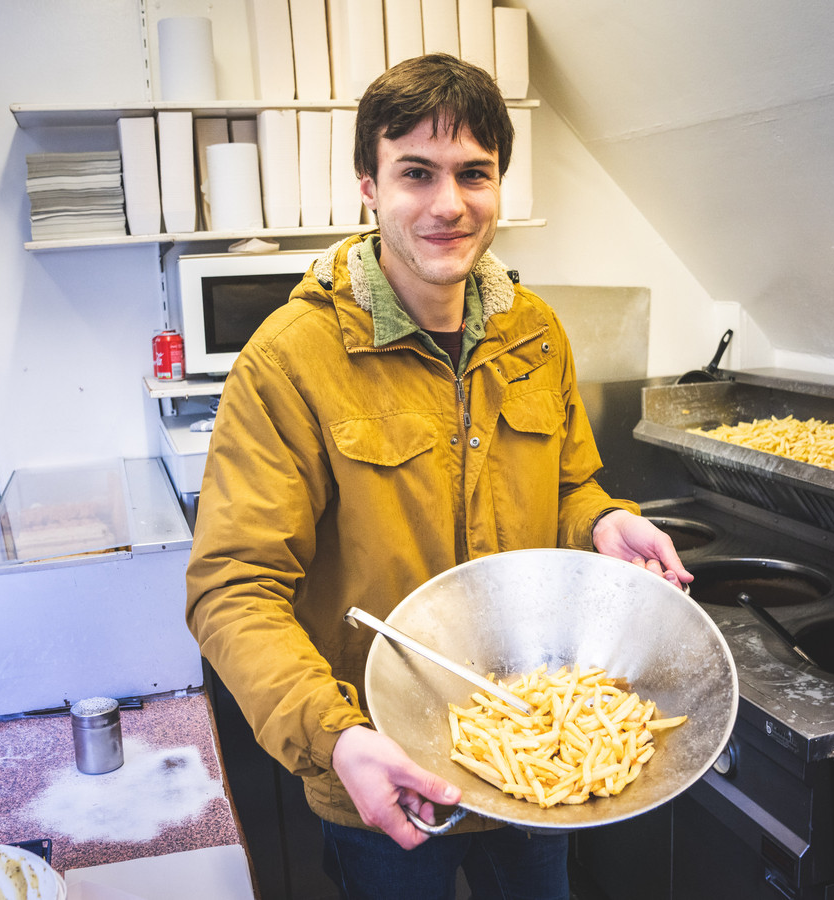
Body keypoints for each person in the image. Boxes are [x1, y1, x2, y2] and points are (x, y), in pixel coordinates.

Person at [186, 52, 691, 900]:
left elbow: (570, 486)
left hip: (535, 750)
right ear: (368, 186)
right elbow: (232, 588)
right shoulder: (289, 360)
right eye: (415, 173)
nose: (449, 204)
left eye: (473, 174)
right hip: (382, 763)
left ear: (500, 187)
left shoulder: (534, 332)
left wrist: (604, 522)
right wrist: (335, 737)